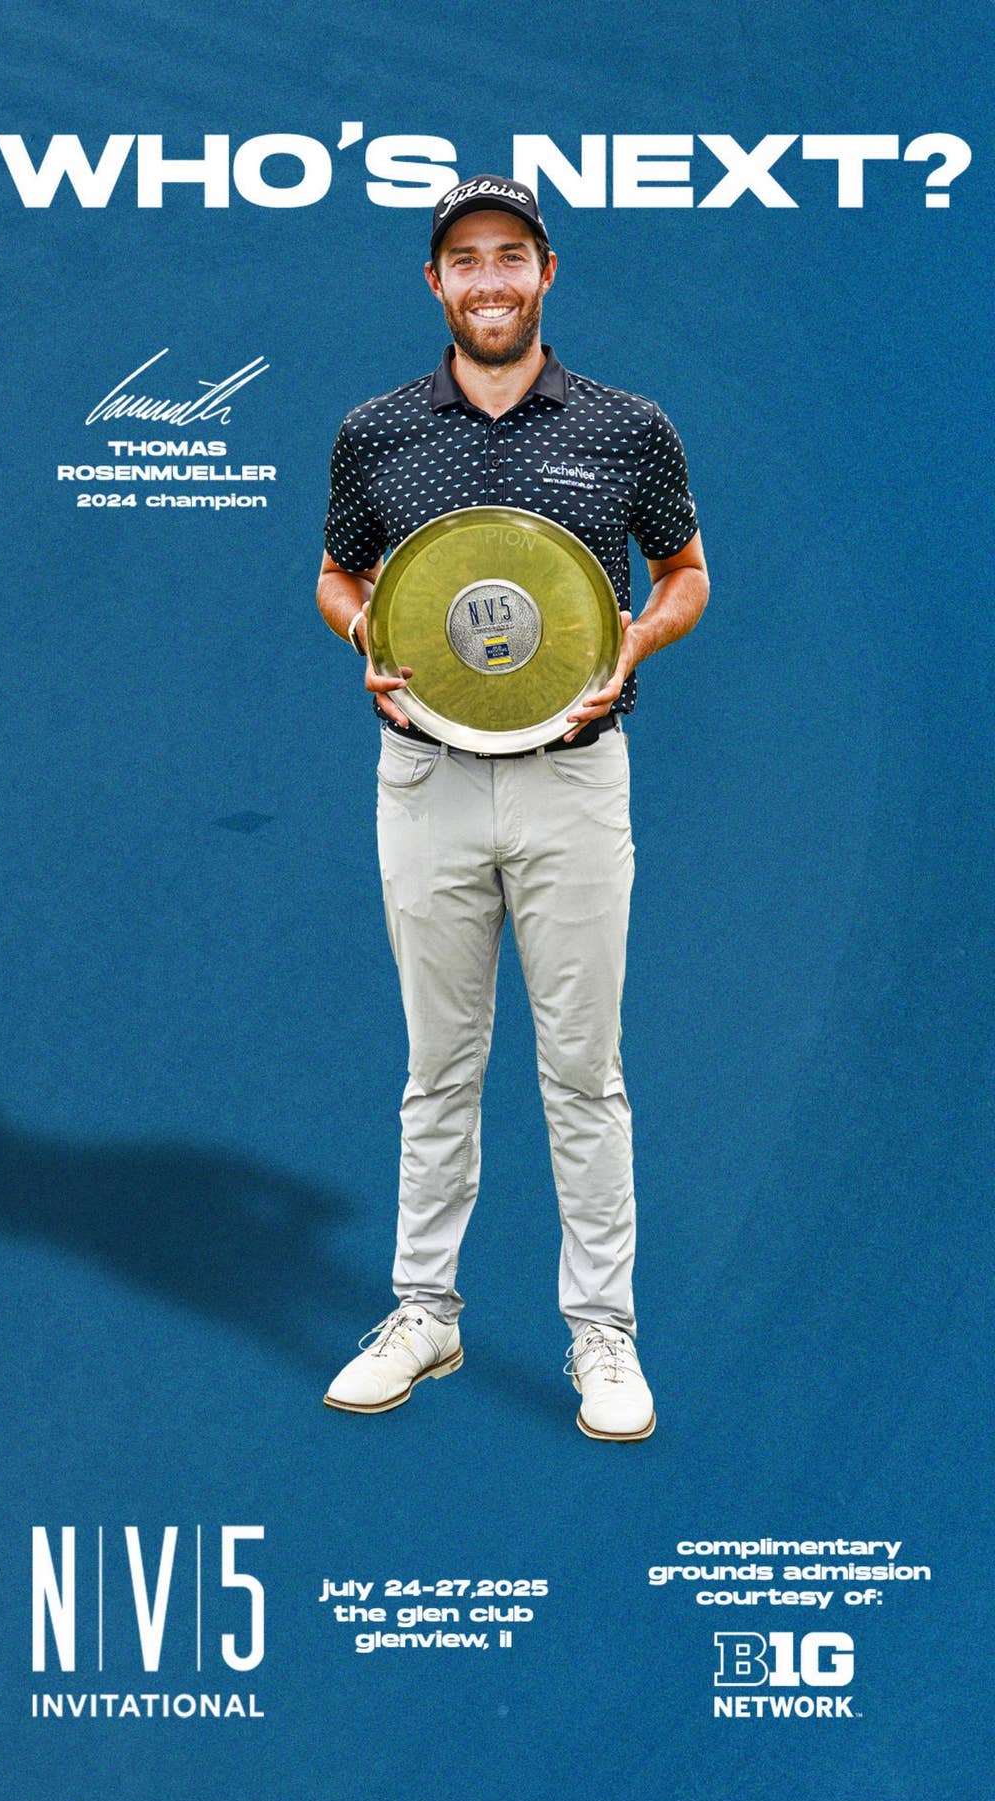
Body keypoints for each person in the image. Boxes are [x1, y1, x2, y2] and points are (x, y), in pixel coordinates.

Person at [316, 174, 709, 1440]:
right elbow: (339, 575)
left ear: (546, 272)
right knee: (437, 1068)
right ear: (435, 281)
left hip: (574, 780)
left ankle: (603, 1333)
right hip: (424, 778)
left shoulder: (629, 426)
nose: (489, 278)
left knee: (583, 1069)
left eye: (511, 255)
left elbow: (684, 572)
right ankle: (423, 1311)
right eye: (466, 258)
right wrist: (364, 633)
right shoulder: (375, 431)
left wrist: (633, 641)